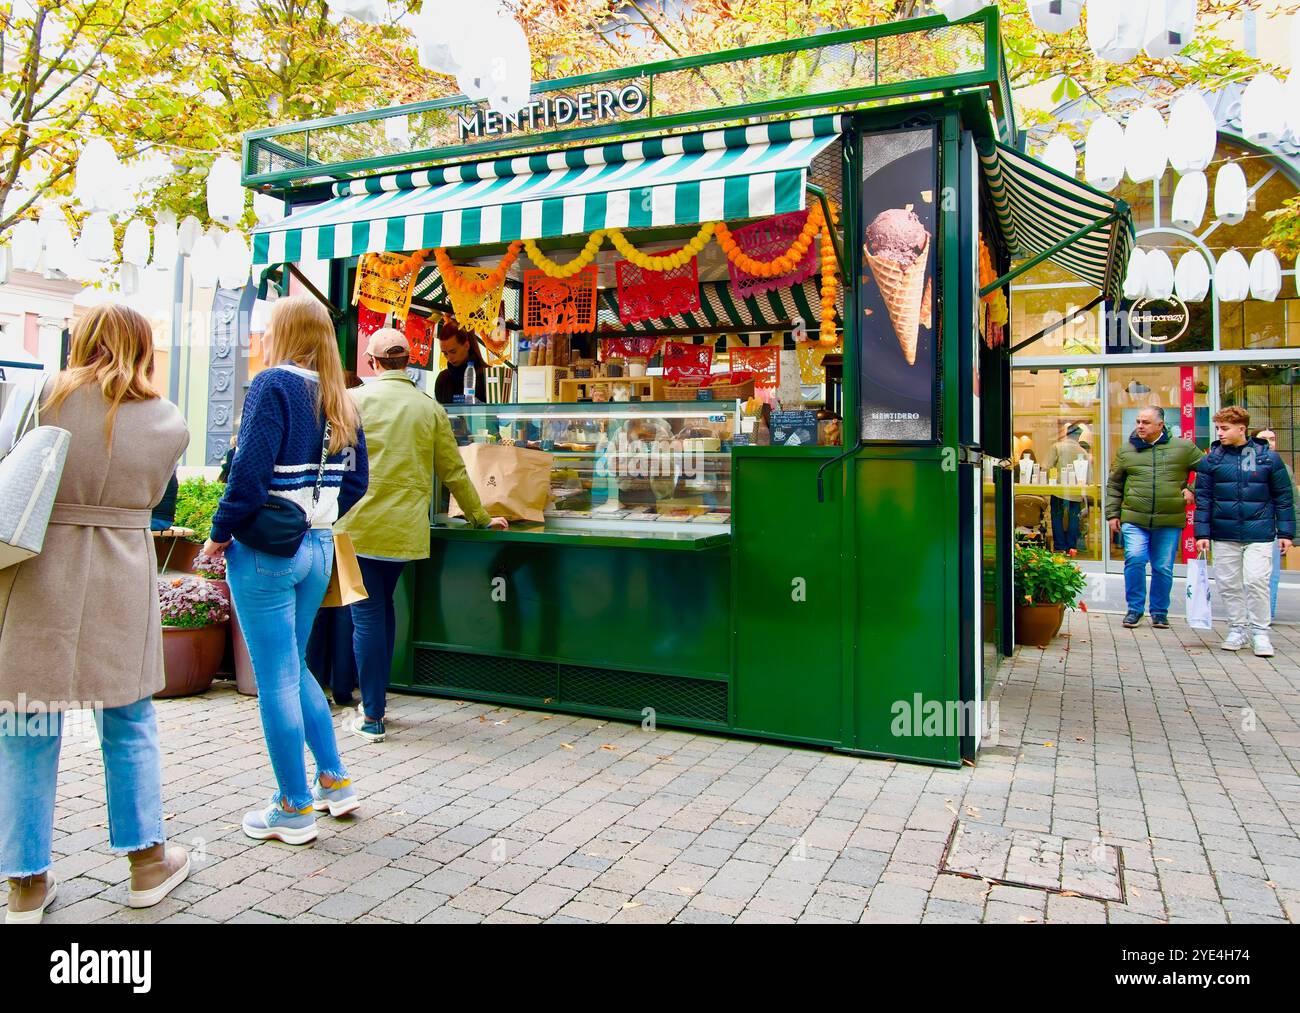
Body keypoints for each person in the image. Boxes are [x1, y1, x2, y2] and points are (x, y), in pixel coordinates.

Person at [0, 304, 191, 924]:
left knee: (26, 725)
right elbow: (160, 499)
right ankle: (147, 865)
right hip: (121, 573)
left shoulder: (38, 398)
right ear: (141, 347)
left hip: (36, 569)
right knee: (129, 721)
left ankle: (25, 884)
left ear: (78, 339)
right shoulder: (168, 422)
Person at [203, 294, 369, 845]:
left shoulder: (273, 385)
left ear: (284, 332)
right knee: (293, 669)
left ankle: (293, 808)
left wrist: (218, 534)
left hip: (268, 549)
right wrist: (320, 514)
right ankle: (334, 780)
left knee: (276, 677)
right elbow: (358, 482)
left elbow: (247, 474)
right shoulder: (342, 399)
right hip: (319, 547)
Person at [335, 328, 507, 742]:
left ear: (373, 363)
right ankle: (376, 702)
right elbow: (453, 471)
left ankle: (372, 714)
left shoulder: (351, 401)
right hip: (402, 530)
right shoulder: (428, 407)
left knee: (368, 615)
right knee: (383, 609)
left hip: (355, 525)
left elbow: (330, 460)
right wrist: (482, 518)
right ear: (409, 362)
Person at [1194, 409, 1294, 656]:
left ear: (1242, 429)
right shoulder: (1211, 460)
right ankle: (1237, 629)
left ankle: (1260, 632)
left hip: (1259, 532)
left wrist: (1286, 533)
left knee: (1256, 581)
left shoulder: (1268, 459)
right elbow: (1203, 499)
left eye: (1225, 428)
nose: (1220, 433)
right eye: (1218, 428)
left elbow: (1283, 498)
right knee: (1229, 584)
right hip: (1224, 532)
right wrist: (1202, 534)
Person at [1106, 405, 1203, 629]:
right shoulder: (1126, 450)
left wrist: (1192, 489)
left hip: (1168, 519)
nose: (1140, 426)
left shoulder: (1183, 448)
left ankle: (1159, 612)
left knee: (1162, 567)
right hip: (1134, 517)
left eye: (1145, 422)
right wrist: (1112, 513)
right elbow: (1114, 484)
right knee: (1135, 559)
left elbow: (1209, 469)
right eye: (1138, 421)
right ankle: (1134, 609)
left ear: (1161, 425)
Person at [1256, 429, 1289, 618]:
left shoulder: (1284, 467)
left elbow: (1290, 502)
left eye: (1272, 439)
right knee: (1254, 576)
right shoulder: (1247, 465)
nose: (1269, 442)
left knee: (1272, 574)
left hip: (1275, 527)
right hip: (1257, 525)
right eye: (1264, 439)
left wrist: (1289, 533)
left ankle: (1268, 614)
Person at [1045, 423, 1087, 553]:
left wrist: (1049, 481)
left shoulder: (1057, 447)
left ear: (1067, 433)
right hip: (1076, 491)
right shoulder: (1083, 451)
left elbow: (1047, 466)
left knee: (1057, 517)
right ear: (1079, 436)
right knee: (1074, 518)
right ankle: (1071, 547)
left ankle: (1059, 547)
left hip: (1059, 489)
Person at [433, 315, 487, 406]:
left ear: (466, 345)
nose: (449, 358)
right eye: (445, 353)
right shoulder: (443, 379)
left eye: (453, 351)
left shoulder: (487, 376)